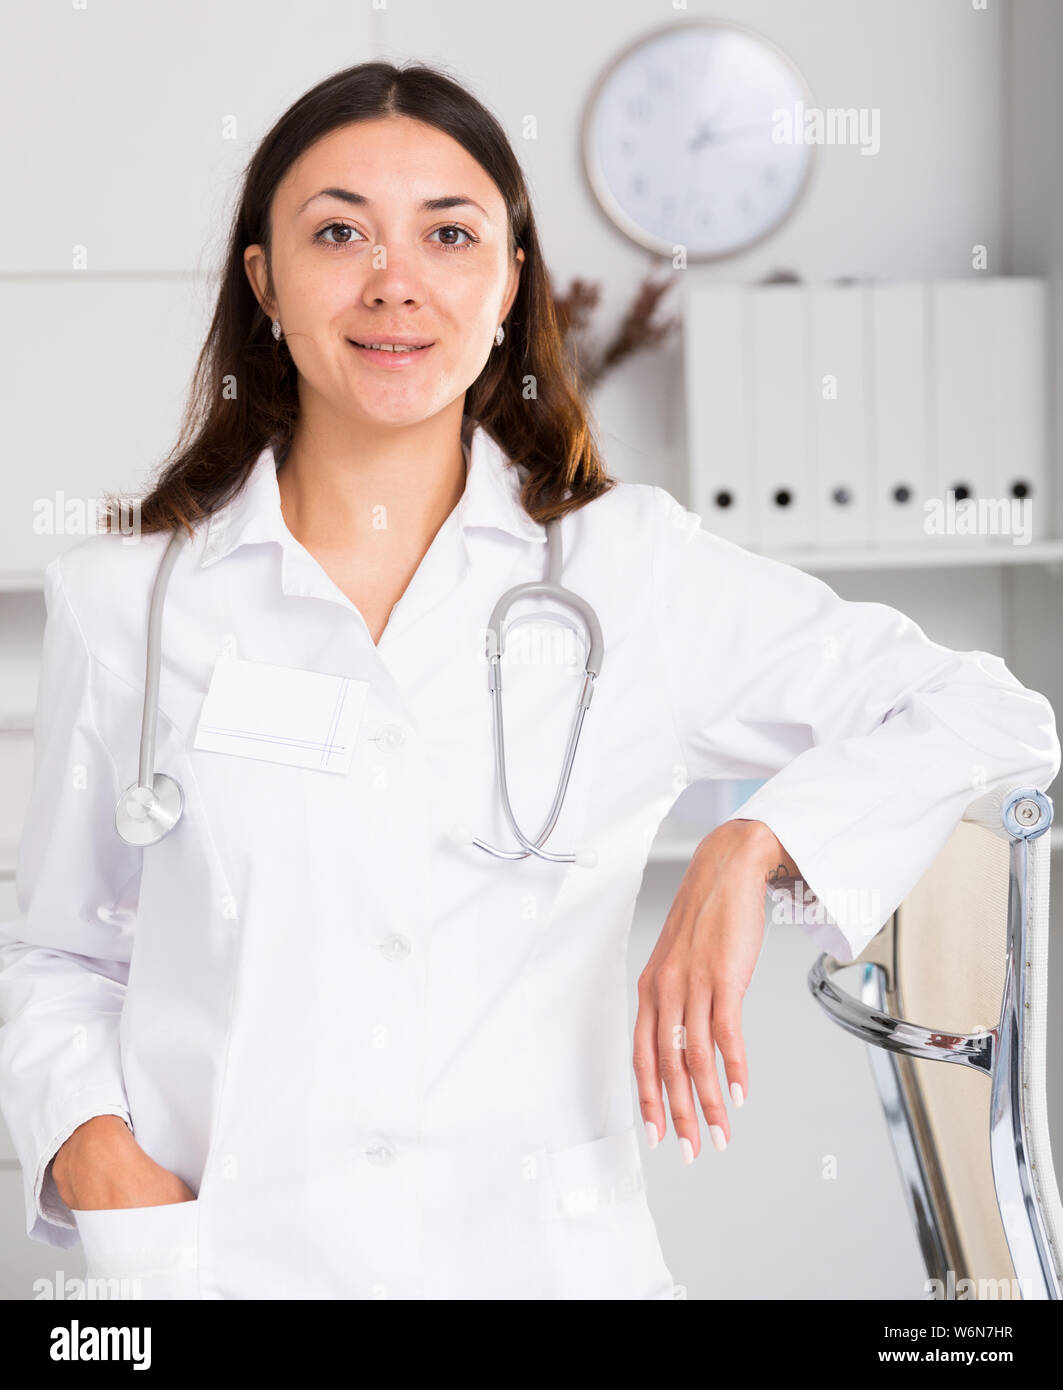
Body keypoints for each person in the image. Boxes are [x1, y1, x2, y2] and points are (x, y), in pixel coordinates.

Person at [0, 60, 1058, 1301]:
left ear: (507, 282)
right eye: (337, 231)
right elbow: (63, 956)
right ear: (264, 283)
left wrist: (755, 841)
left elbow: (992, 713)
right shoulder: (127, 602)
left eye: (450, 235)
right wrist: (96, 1154)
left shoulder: (630, 571)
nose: (395, 280)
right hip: (223, 1269)